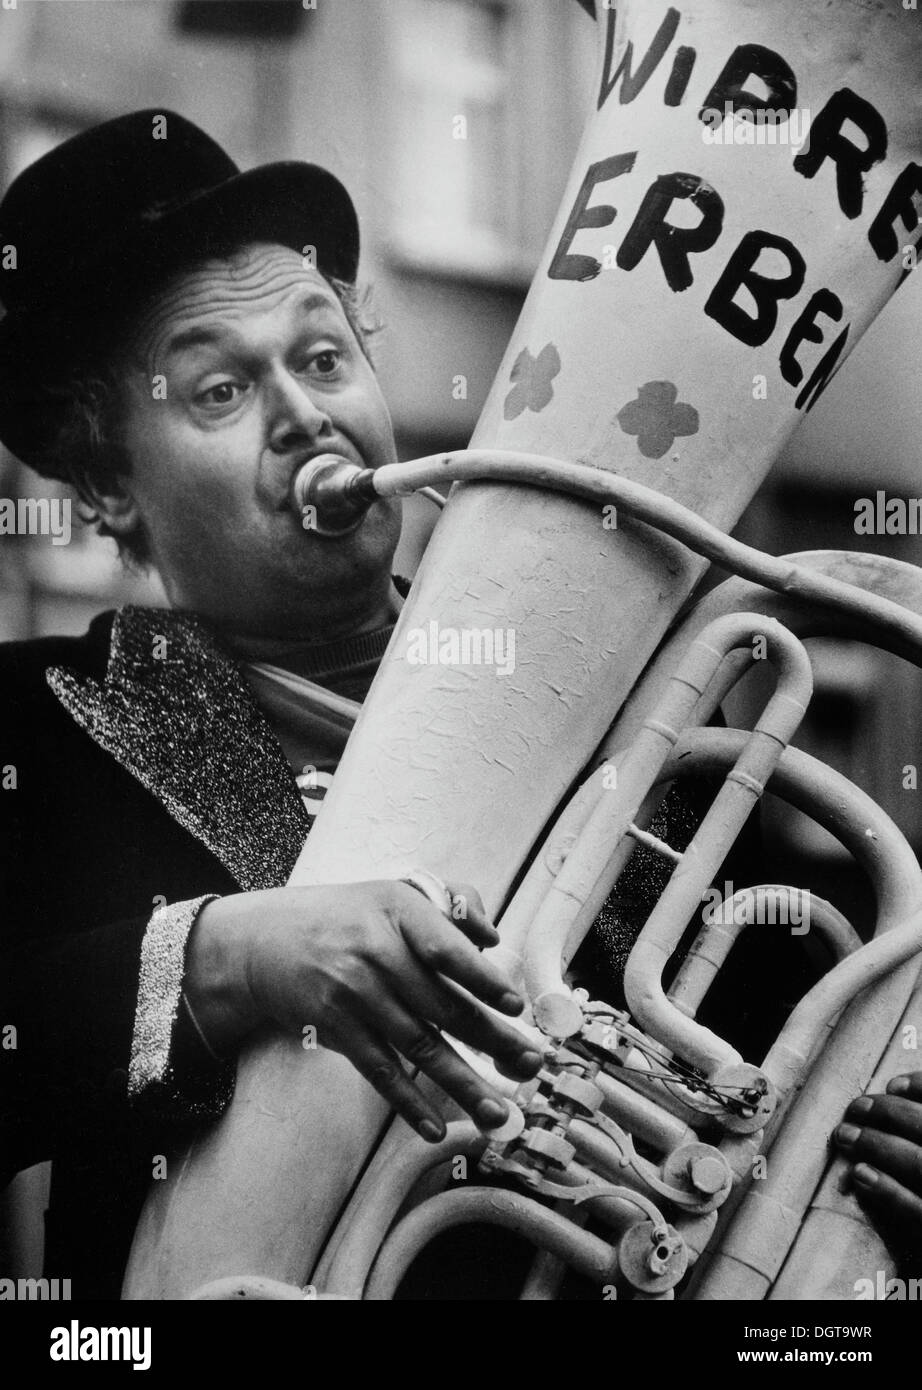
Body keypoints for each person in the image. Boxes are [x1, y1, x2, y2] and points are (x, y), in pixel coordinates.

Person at [0, 110, 917, 1300]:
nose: (305, 416)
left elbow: (803, 1011)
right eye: (222, 389)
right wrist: (223, 960)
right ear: (112, 485)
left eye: (324, 358)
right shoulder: (33, 722)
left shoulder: (624, 713)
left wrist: (875, 1136)